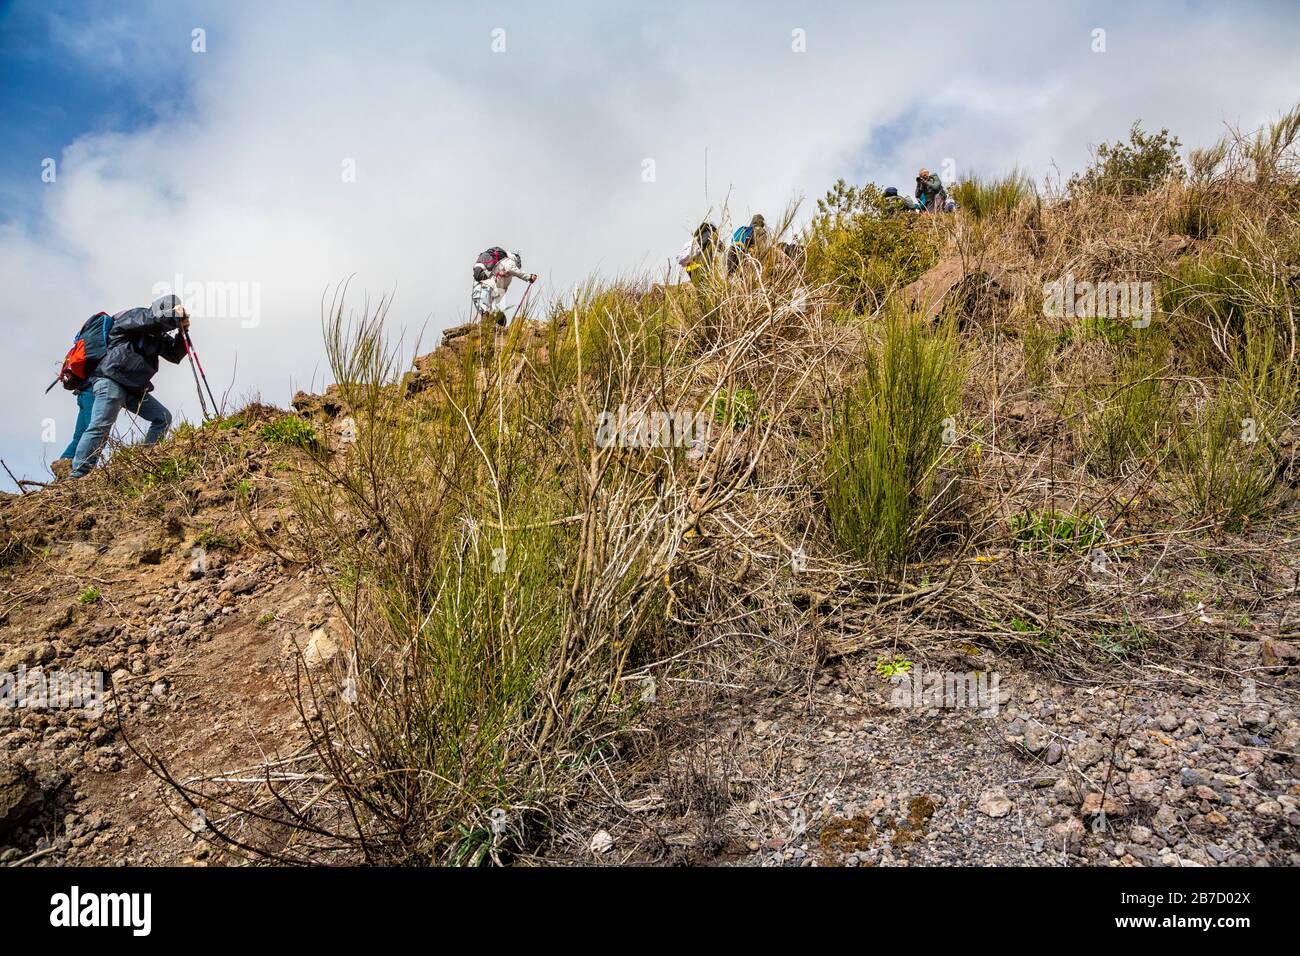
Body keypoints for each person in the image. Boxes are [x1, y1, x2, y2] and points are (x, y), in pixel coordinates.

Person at [70, 294, 189, 478]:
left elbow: (175, 355)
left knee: (162, 417)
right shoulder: (135, 316)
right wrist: (175, 318)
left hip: (134, 387)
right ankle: (78, 474)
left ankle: (145, 458)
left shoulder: (158, 336)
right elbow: (151, 319)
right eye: (173, 309)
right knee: (100, 426)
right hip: (111, 378)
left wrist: (183, 333)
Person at [471, 248, 537, 324]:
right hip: (488, 286)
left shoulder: (501, 267)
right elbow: (511, 269)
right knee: (488, 310)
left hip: (482, 287)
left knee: (485, 309)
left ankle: (491, 322)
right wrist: (528, 277)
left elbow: (502, 289)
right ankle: (494, 322)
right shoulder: (509, 260)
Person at [51, 387, 95, 478]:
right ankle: (85, 469)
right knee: (94, 432)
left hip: (83, 393)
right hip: (92, 392)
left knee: (81, 435)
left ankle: (64, 462)